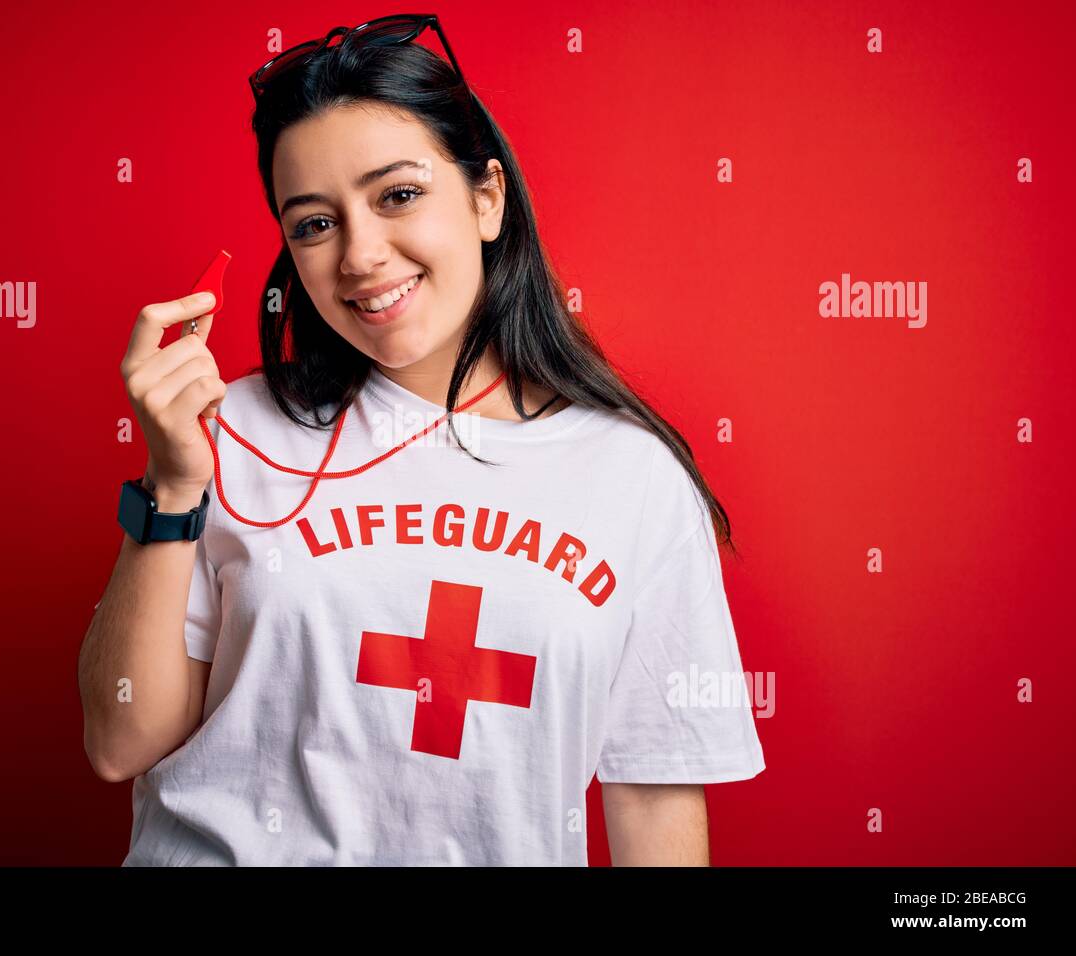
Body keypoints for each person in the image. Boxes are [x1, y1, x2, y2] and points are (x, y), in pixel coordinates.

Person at [78, 14, 765, 866]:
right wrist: (172, 488)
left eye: (398, 195)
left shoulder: (633, 478)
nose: (361, 254)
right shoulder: (232, 431)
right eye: (313, 224)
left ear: (487, 199)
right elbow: (120, 740)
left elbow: (655, 807)